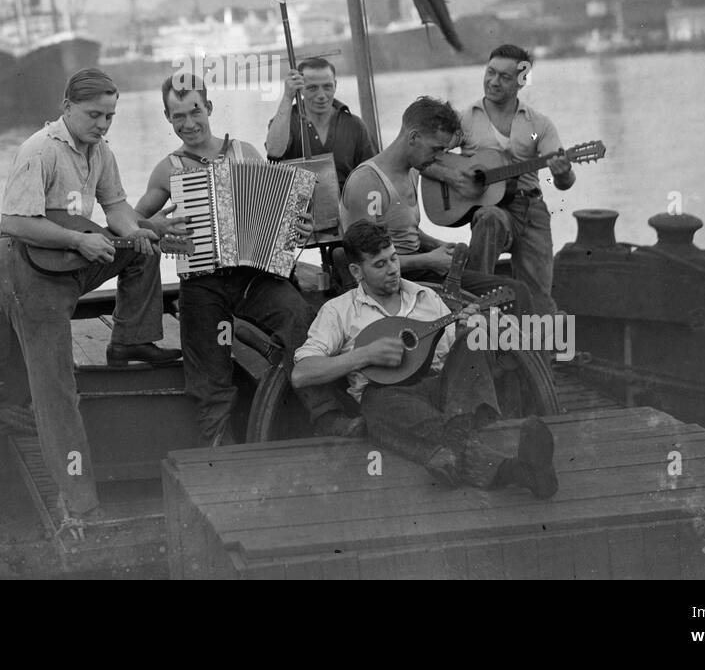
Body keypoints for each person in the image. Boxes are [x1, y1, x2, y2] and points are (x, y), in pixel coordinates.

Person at [0, 69, 185, 529]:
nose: (103, 124)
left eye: (110, 115)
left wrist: (147, 230)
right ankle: (79, 504)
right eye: (94, 114)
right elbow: (15, 223)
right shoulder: (39, 151)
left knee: (141, 251)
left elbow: (116, 209)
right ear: (66, 109)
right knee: (57, 392)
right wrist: (79, 242)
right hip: (26, 275)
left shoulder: (101, 151)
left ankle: (130, 339)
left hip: (68, 261)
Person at [134, 74, 365, 445]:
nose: (189, 124)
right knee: (205, 357)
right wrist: (157, 226)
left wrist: (299, 229)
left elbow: (283, 225)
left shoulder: (245, 153)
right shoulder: (168, 170)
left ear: (208, 108)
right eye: (178, 117)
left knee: (298, 316)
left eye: (195, 111)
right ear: (167, 118)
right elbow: (134, 224)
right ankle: (218, 446)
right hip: (202, 280)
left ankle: (326, 416)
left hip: (252, 275)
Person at [292, 220, 557, 498]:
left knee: (471, 342)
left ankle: (452, 451)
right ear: (357, 271)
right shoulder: (339, 311)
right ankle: (516, 470)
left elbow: (460, 363)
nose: (393, 269)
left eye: (394, 258)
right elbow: (302, 373)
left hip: (445, 394)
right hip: (393, 400)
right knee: (374, 402)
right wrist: (364, 355)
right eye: (380, 265)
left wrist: (472, 327)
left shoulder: (426, 297)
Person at [338, 96, 534, 314]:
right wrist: (429, 260)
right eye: (436, 149)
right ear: (413, 137)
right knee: (503, 301)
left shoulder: (412, 170)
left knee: (515, 291)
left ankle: (522, 348)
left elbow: (402, 231)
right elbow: (366, 260)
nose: (440, 157)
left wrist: (436, 245)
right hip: (391, 283)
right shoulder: (367, 182)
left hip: (419, 271)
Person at [460, 44, 574, 314]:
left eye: (505, 77)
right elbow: (431, 159)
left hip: (531, 209)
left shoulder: (539, 124)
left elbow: (565, 182)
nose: (493, 82)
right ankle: (474, 308)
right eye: (490, 72)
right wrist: (454, 179)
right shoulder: (464, 119)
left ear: (521, 82)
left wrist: (563, 172)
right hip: (492, 210)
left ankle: (540, 353)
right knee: (489, 218)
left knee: (540, 299)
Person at [264, 58, 375, 189]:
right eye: (312, 88)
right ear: (301, 89)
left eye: (327, 86)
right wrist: (288, 97)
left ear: (335, 85)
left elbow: (372, 175)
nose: (321, 95)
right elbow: (273, 152)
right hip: (299, 207)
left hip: (347, 206)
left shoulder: (355, 125)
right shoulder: (285, 122)